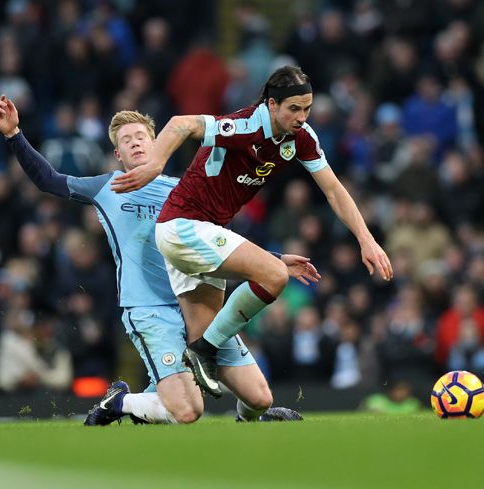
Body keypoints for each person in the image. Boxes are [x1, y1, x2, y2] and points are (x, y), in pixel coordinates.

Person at [0, 96, 313, 423]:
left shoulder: (182, 190)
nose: (135, 143)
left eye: (141, 137)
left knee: (259, 398)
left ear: (157, 142)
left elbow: (217, 243)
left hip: (197, 304)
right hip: (150, 310)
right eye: (126, 141)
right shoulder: (108, 187)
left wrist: (273, 259)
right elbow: (49, 180)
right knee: (188, 412)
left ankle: (249, 418)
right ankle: (122, 402)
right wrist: (14, 134)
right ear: (118, 155)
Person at [111, 65, 394, 396]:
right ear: (272, 106)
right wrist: (155, 164)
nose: (302, 117)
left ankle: (140, 402)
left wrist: (367, 240)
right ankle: (203, 350)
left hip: (205, 237)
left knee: (254, 396)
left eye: (307, 109)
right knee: (274, 277)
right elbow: (180, 124)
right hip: (182, 226)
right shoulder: (245, 125)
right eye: (293, 109)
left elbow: (333, 190)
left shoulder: (301, 139)